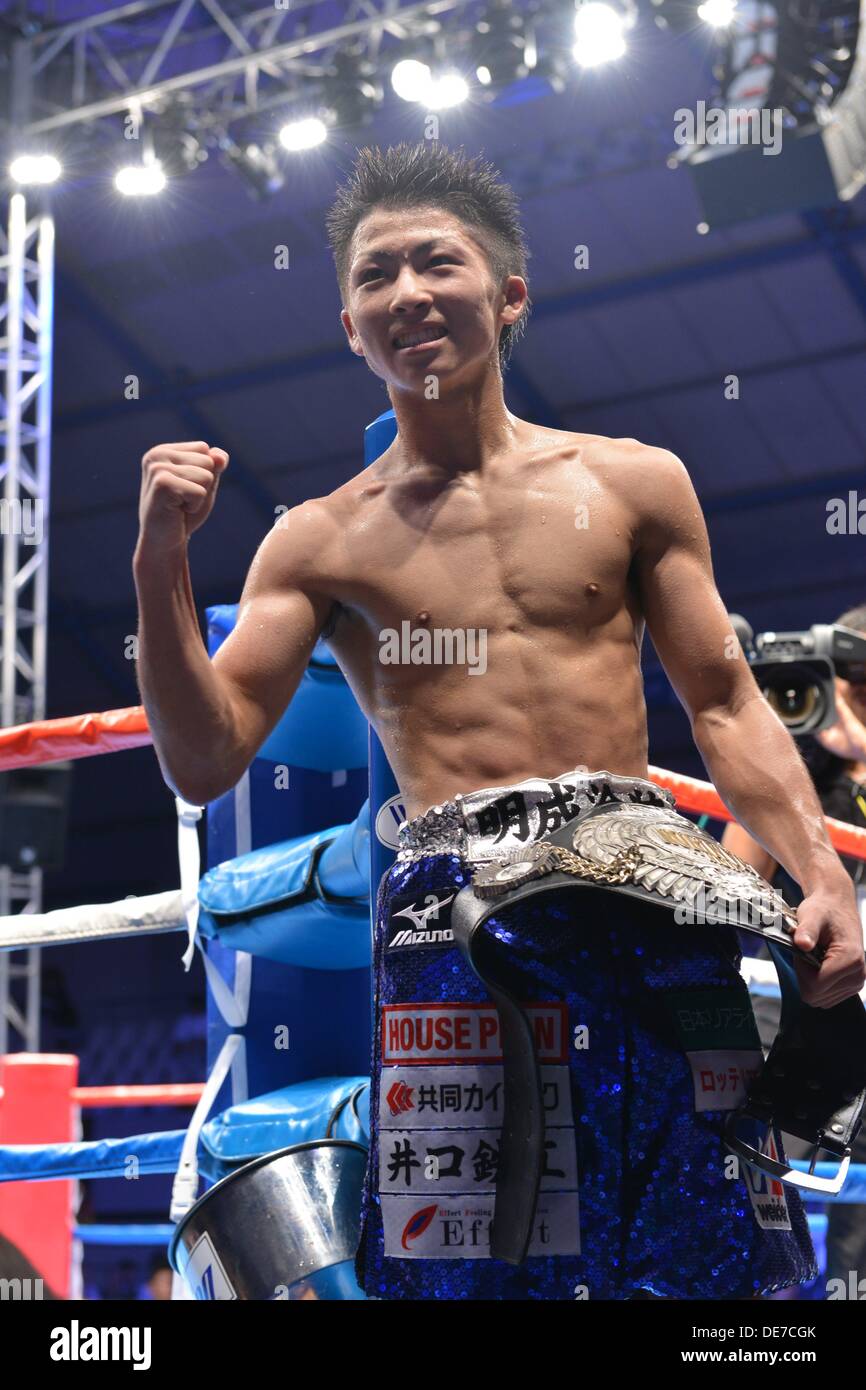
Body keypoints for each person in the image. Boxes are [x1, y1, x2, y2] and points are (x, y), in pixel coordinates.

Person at [132, 141, 864, 1300]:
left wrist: (819, 873)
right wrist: (159, 564)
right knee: (465, 1256)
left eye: (437, 261)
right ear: (349, 326)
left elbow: (720, 699)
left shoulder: (632, 482)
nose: (408, 292)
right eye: (376, 275)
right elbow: (202, 756)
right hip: (455, 911)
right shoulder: (317, 539)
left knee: (721, 1250)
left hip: (653, 900)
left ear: (508, 293)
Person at [722, 603, 866, 1298]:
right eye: (850, 682)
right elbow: (734, 886)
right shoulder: (796, 777)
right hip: (813, 1030)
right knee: (767, 1218)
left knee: (857, 1247)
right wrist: (785, 757)